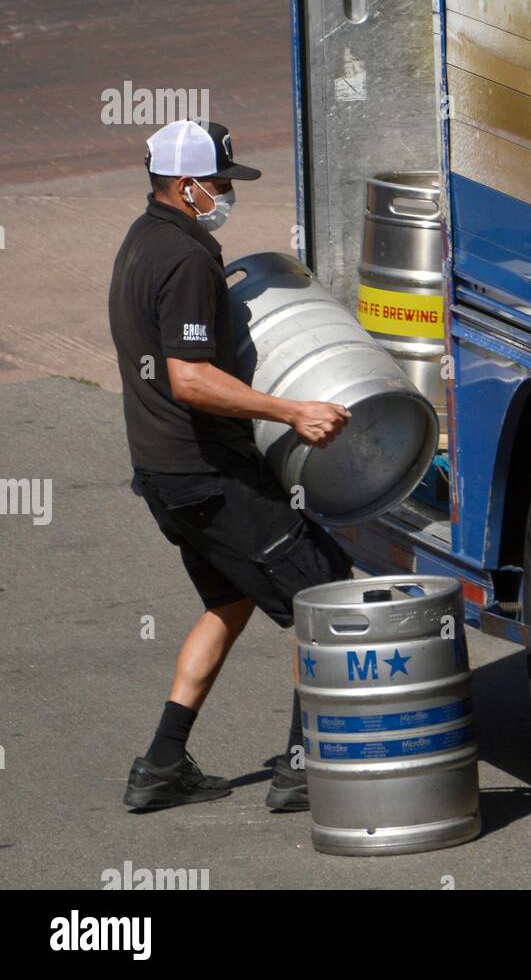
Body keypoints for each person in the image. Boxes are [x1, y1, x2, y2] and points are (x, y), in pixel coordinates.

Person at [108, 118, 353, 813]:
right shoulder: (187, 260)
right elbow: (189, 378)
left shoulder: (142, 238)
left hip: (163, 473)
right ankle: (306, 765)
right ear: (186, 187)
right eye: (218, 183)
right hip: (205, 474)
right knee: (325, 590)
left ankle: (161, 763)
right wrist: (291, 411)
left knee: (229, 599)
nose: (225, 194)